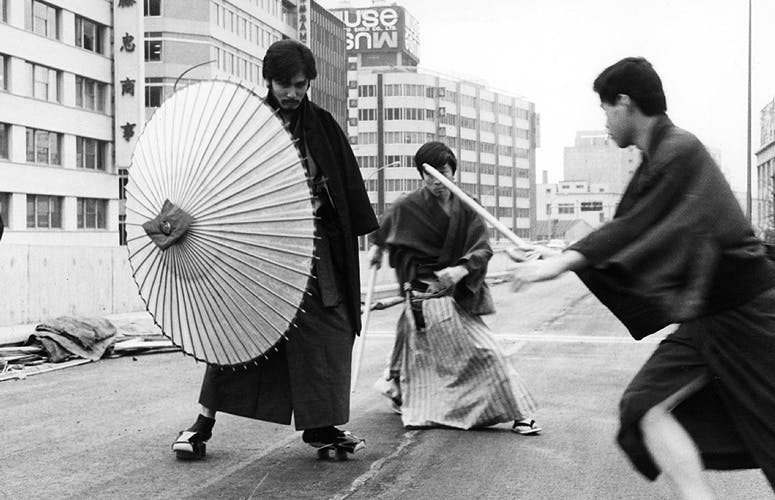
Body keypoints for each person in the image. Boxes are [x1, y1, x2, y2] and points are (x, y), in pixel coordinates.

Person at [509, 57, 775, 498]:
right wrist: (555, 251)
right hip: (707, 319)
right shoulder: (657, 159)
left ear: (625, 103)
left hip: (752, 316)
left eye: (605, 109)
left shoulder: (680, 150)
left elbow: (634, 230)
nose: (606, 121)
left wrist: (563, 262)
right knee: (644, 406)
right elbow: (628, 228)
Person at [172, 40, 378, 459]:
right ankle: (202, 424)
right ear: (268, 80)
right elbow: (217, 179)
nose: (292, 94)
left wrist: (322, 197)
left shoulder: (322, 126)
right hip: (258, 251)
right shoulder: (247, 122)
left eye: (300, 85)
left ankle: (322, 428)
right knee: (238, 335)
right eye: (284, 84)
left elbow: (345, 191)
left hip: (315, 251)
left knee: (329, 334)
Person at [368, 141, 541, 434]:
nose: (437, 182)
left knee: (487, 352)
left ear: (453, 173)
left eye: (443, 174)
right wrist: (377, 249)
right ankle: (401, 390)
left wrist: (461, 269)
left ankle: (519, 412)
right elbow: (385, 228)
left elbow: (482, 247)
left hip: (457, 294)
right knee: (420, 357)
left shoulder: (468, 206)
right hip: (422, 294)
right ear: (421, 176)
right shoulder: (408, 205)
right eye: (430, 176)